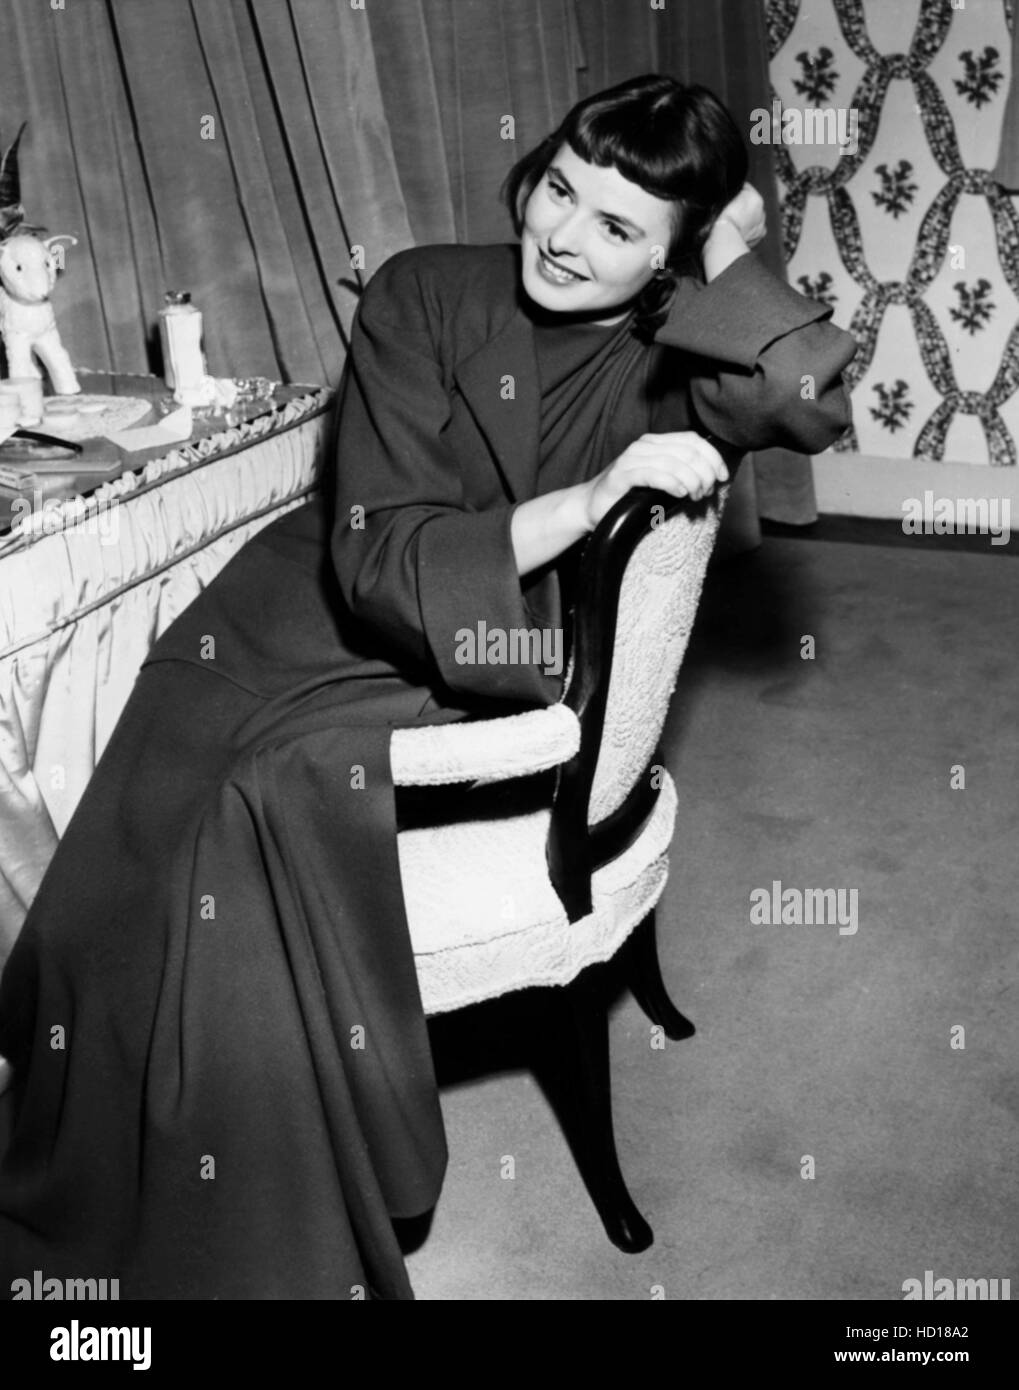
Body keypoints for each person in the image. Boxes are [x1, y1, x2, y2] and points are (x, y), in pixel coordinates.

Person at [0, 74, 856, 1300]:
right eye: (560, 187)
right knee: (111, 912)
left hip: (481, 639)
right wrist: (580, 502)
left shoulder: (678, 345)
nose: (561, 235)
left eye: (619, 227)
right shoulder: (420, 288)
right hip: (304, 608)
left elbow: (803, 399)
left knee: (256, 831)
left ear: (671, 263)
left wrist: (731, 243)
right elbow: (375, 550)